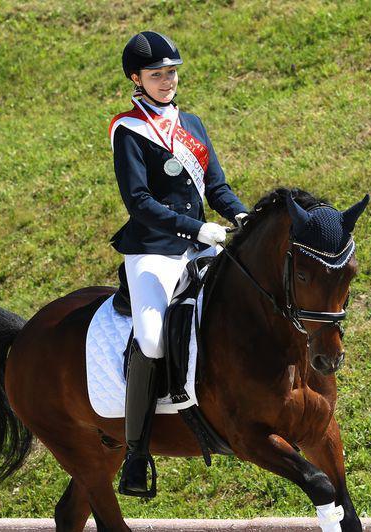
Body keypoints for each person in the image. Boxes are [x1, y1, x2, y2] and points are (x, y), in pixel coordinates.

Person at [108, 30, 249, 498]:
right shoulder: (128, 130)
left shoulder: (192, 123)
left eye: (171, 72)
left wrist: (239, 215)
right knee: (151, 338)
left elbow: (216, 187)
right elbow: (139, 202)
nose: (167, 81)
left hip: (200, 243)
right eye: (157, 75)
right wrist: (194, 229)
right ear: (136, 78)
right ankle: (136, 453)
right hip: (153, 249)